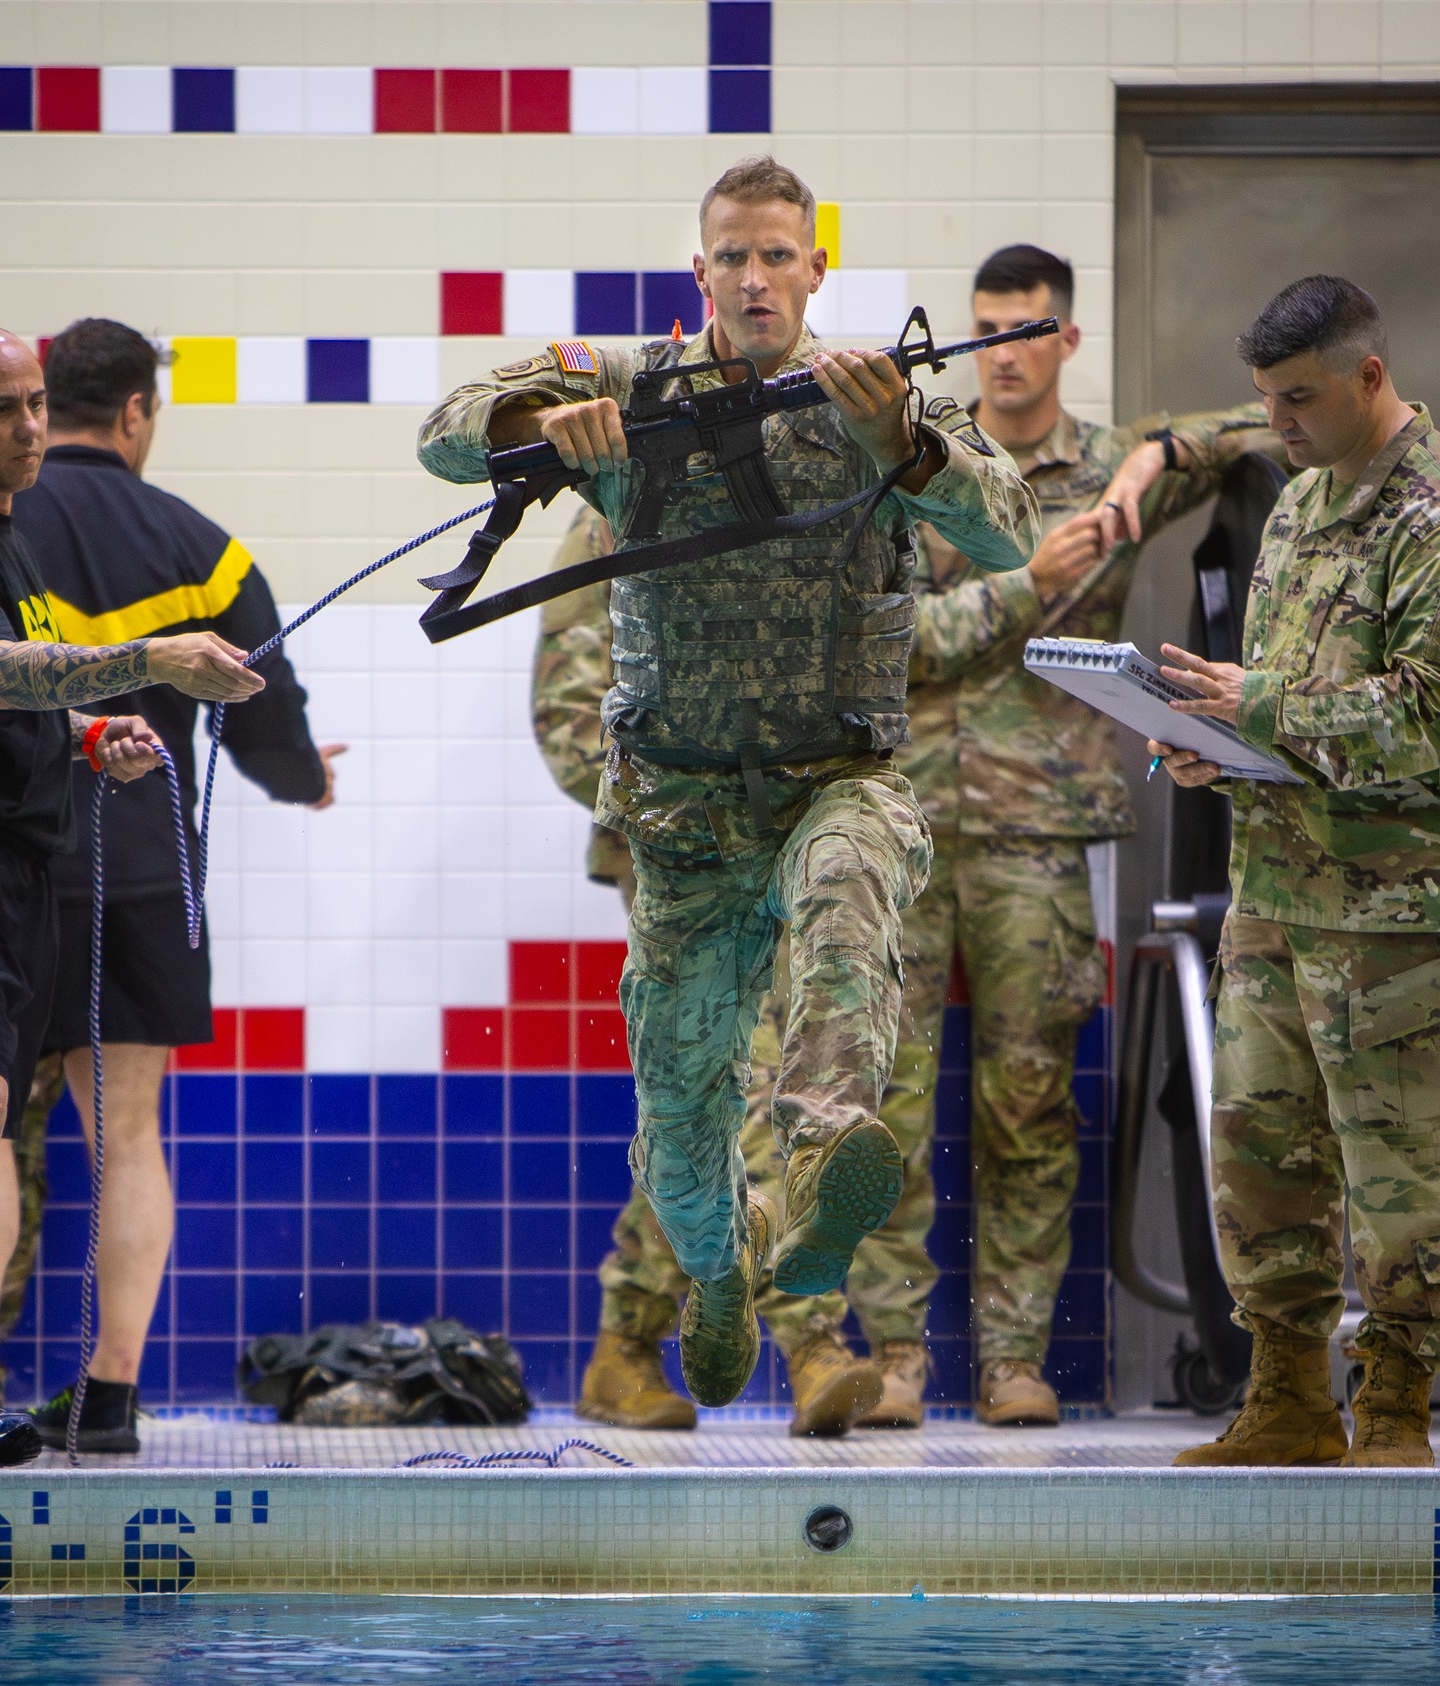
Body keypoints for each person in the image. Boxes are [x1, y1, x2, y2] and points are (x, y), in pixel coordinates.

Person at [422, 156, 1037, 1412]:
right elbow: (441, 434)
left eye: (777, 256)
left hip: (834, 775)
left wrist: (903, 447)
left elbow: (1008, 532)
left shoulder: (878, 392)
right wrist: (545, 431)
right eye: (731, 258)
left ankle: (821, 1165)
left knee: (853, 897)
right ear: (696, 271)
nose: (755, 279)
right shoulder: (625, 382)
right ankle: (713, 1269)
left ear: (816, 269)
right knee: (683, 1109)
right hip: (684, 811)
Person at [0, 323, 264, 1469]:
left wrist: (82, 737)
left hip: (2, 858)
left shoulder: (2, 533)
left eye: (34, 403)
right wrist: (156, 661)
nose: (27, 428)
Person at [898, 245, 1285, 1426]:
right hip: (907, 820)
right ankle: (894, 1364)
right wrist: (1031, 579)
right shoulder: (923, 463)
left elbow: (1268, 420)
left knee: (1025, 1101)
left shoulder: (1104, 470)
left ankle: (1013, 1362)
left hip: (1043, 829)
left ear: (1064, 338)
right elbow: (894, 642)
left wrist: (1156, 454)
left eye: (1023, 329)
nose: (1000, 353)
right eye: (982, 331)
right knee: (887, 1101)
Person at [1151, 276, 1440, 1469]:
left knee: (1397, 1168)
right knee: (1259, 1155)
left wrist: (1253, 707)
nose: (1276, 425)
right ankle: (1284, 1394)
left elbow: (1434, 720)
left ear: (1368, 378)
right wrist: (1214, 749)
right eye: (1266, 401)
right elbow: (1294, 716)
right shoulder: (1303, 504)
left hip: (1400, 910)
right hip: (1277, 895)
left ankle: (1396, 1404)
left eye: (1297, 399)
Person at [10, 317, 339, 1453]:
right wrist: (302, 783)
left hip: (5, 866)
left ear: (43, 407)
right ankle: (107, 1394)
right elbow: (264, 701)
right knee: (126, 1135)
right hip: (143, 875)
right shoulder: (199, 545)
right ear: (139, 413)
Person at [536, 512, 911, 1437]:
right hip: (685, 840)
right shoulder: (628, 497)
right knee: (718, 1088)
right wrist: (684, 787)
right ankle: (804, 1341)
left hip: (807, 827)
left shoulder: (815, 479)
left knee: (715, 1101)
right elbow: (567, 701)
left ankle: (630, 1340)